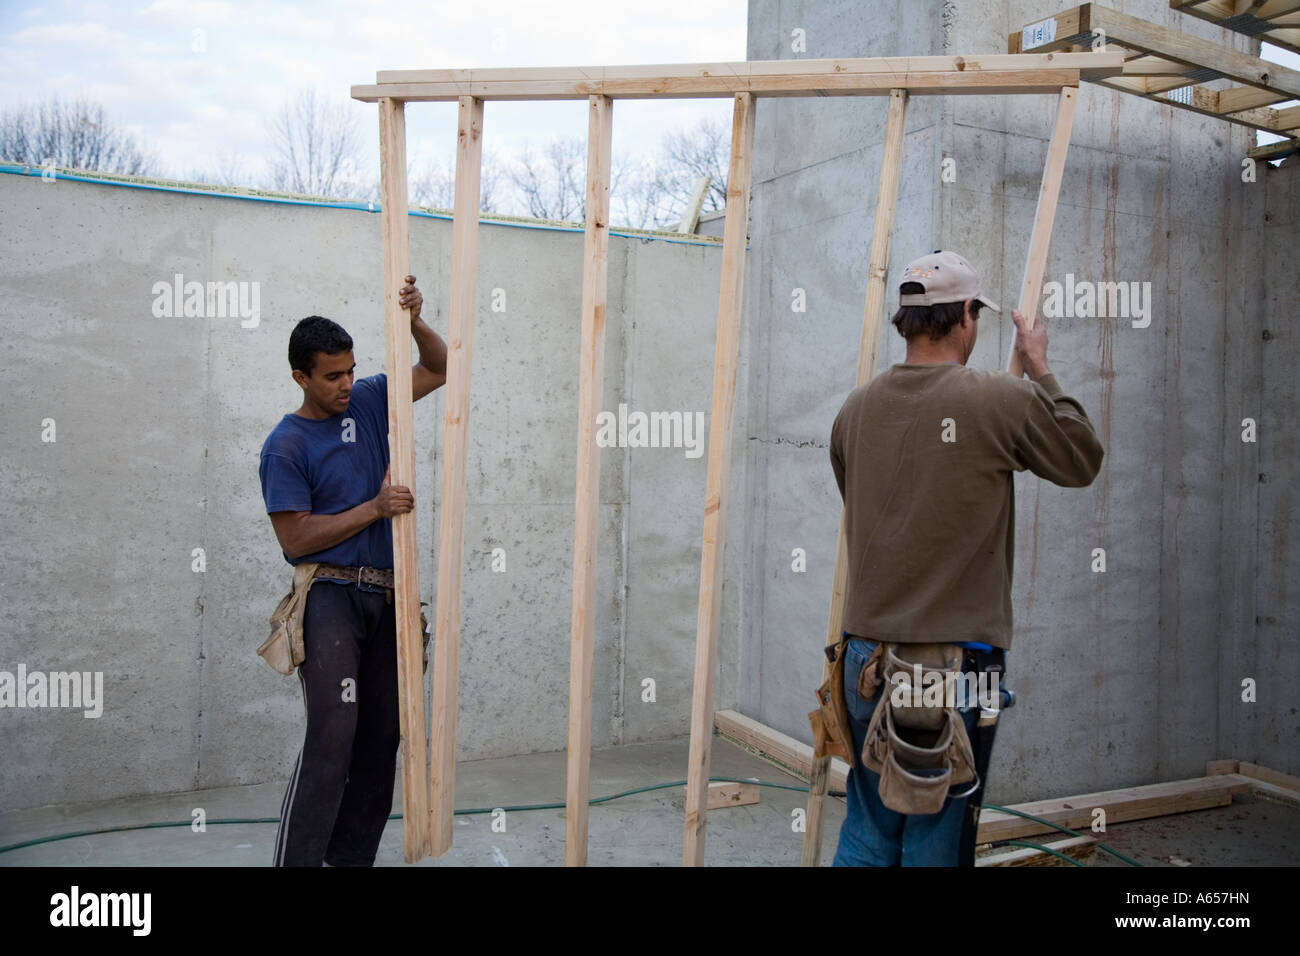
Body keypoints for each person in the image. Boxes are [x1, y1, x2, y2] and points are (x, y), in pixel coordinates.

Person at [828, 250, 1104, 866]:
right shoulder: (998, 399)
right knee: (938, 839)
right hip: (954, 668)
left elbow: (870, 511)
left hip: (864, 658)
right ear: (966, 320)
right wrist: (1039, 370)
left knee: (869, 831)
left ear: (906, 321)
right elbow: (1083, 458)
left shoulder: (854, 410)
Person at [259, 276, 446, 867]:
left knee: (380, 738)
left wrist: (416, 321)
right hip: (331, 598)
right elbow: (295, 539)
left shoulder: (368, 400)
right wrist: (373, 507)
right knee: (332, 735)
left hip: (390, 596)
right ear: (301, 377)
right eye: (332, 375)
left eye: (350, 370)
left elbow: (440, 369)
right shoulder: (285, 446)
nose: (346, 384)